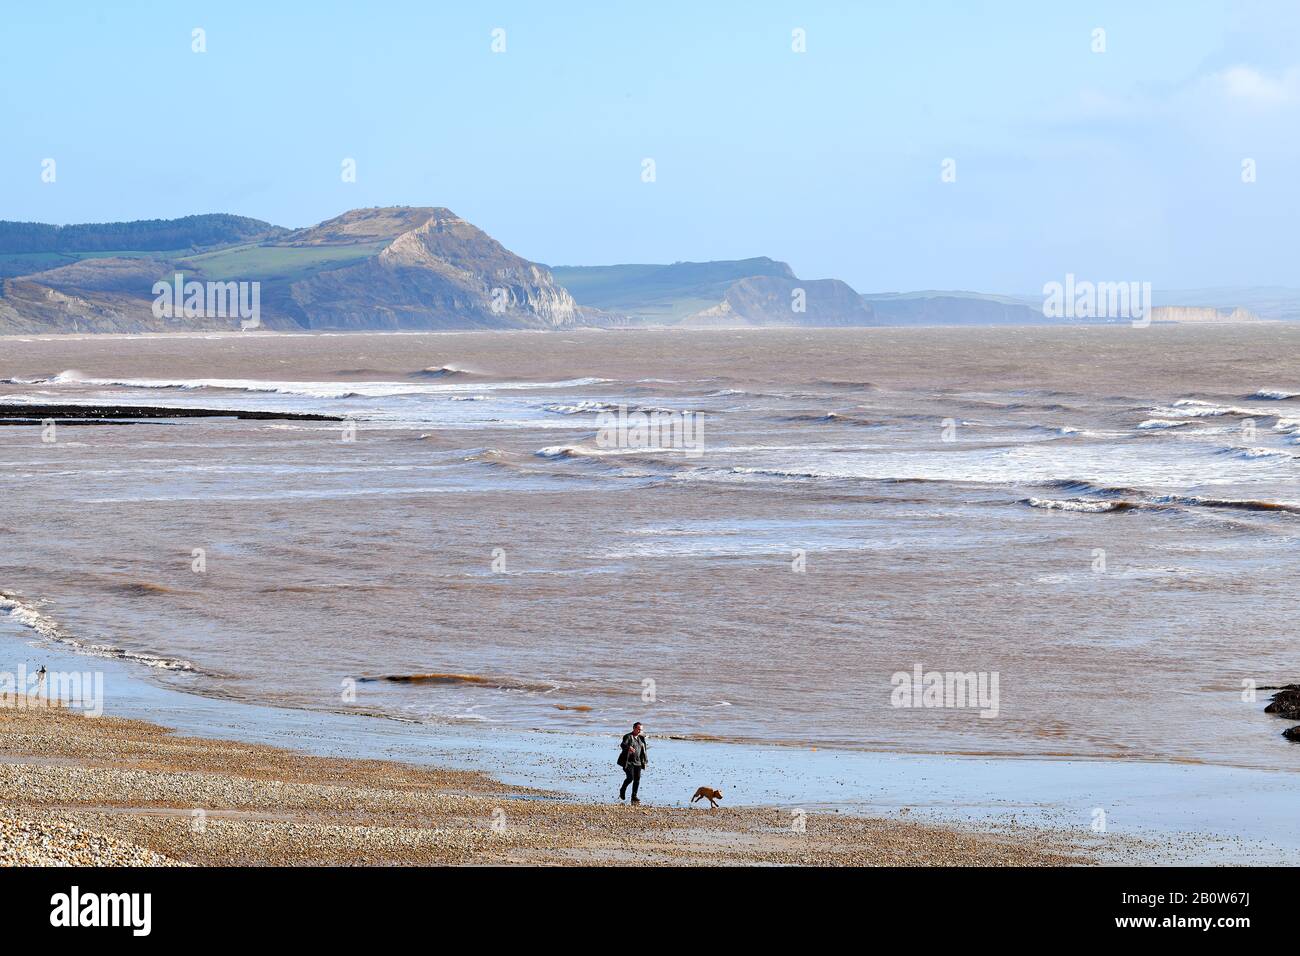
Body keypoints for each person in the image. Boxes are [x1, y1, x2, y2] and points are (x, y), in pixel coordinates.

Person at [617, 721, 648, 804]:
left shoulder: (641, 738)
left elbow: (643, 750)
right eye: (638, 729)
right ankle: (622, 789)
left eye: (641, 730)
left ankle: (634, 796)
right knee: (630, 777)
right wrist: (628, 747)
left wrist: (645, 761)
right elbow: (623, 744)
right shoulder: (628, 736)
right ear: (634, 728)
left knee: (637, 779)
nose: (640, 731)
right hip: (628, 762)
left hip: (638, 762)